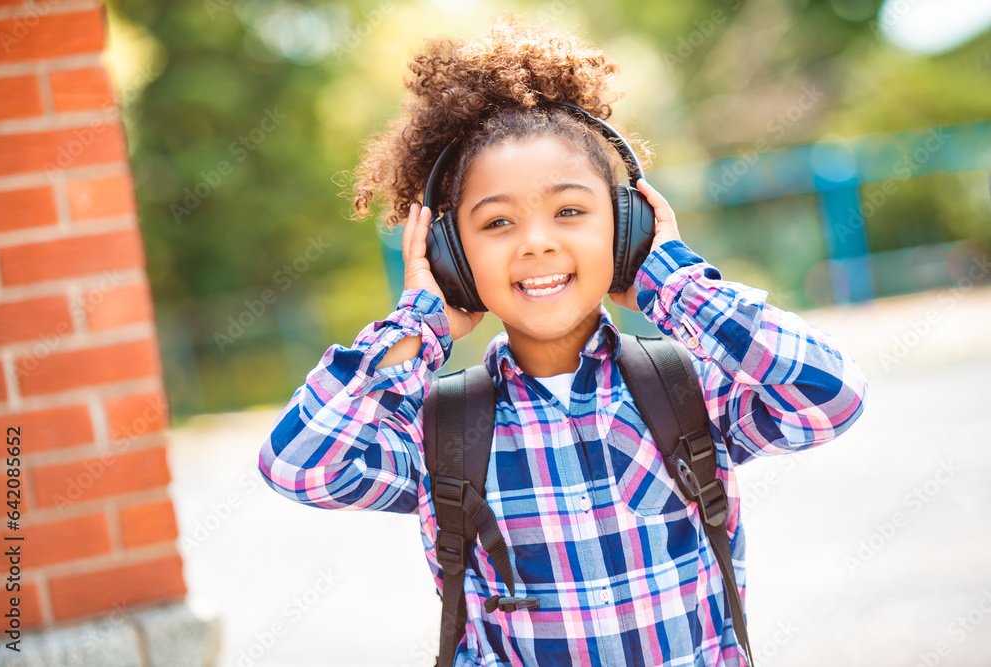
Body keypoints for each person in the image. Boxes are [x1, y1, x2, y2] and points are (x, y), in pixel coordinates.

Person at [257, 17, 869, 666]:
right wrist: (418, 324)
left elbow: (830, 396)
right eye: (497, 221)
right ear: (451, 259)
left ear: (627, 227)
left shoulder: (690, 391)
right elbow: (299, 464)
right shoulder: (438, 430)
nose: (537, 241)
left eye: (570, 210)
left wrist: (672, 279)